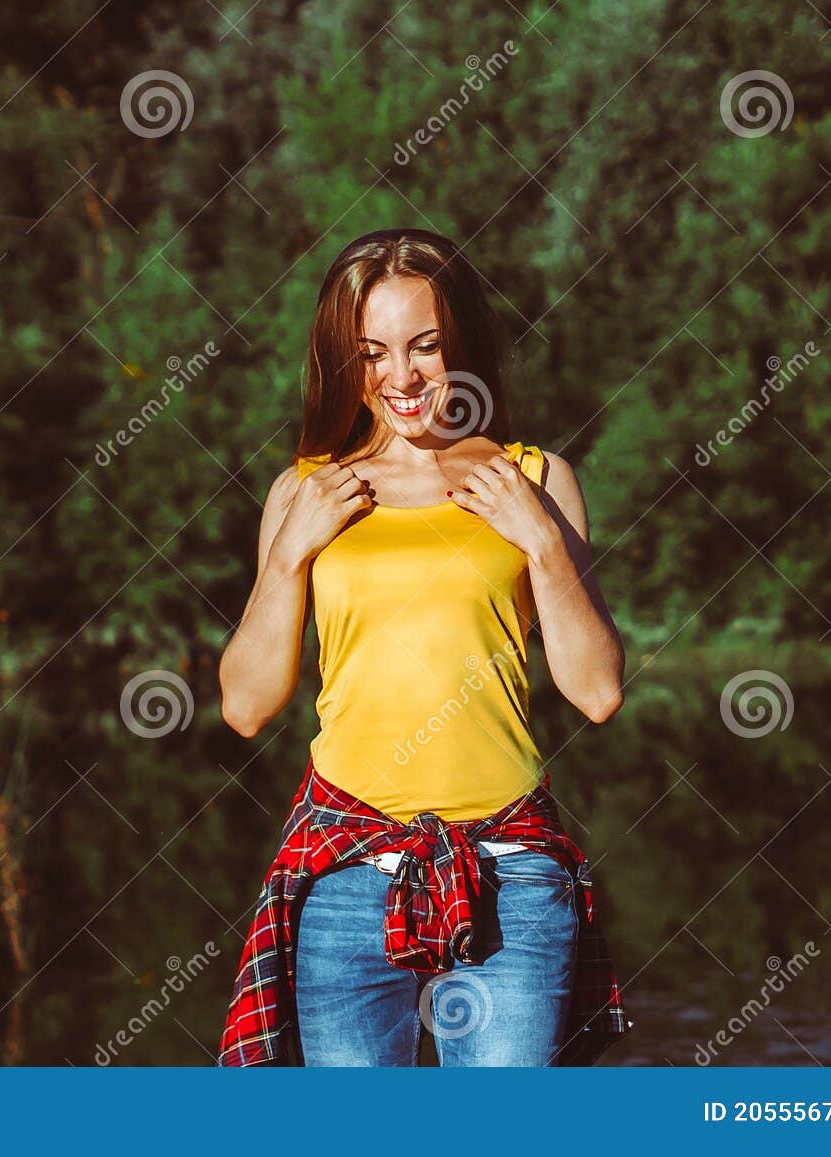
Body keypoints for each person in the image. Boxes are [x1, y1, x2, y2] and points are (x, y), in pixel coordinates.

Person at [217, 227, 629, 1066]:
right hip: (345, 872)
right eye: (372, 352)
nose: (401, 377)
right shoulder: (306, 490)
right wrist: (289, 553)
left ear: (462, 341)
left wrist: (540, 540)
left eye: (425, 345)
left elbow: (597, 692)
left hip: (512, 873)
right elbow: (245, 706)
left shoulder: (535, 479)